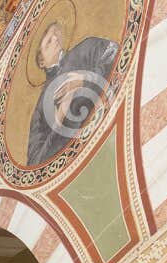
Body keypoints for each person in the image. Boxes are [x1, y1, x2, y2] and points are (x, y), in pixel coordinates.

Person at [26, 20, 117, 167]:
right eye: (49, 41)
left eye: (55, 35)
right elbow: (35, 163)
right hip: (79, 162)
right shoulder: (42, 105)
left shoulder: (86, 48)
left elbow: (114, 54)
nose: (55, 38)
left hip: (111, 127)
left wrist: (85, 79)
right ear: (41, 61)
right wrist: (60, 122)